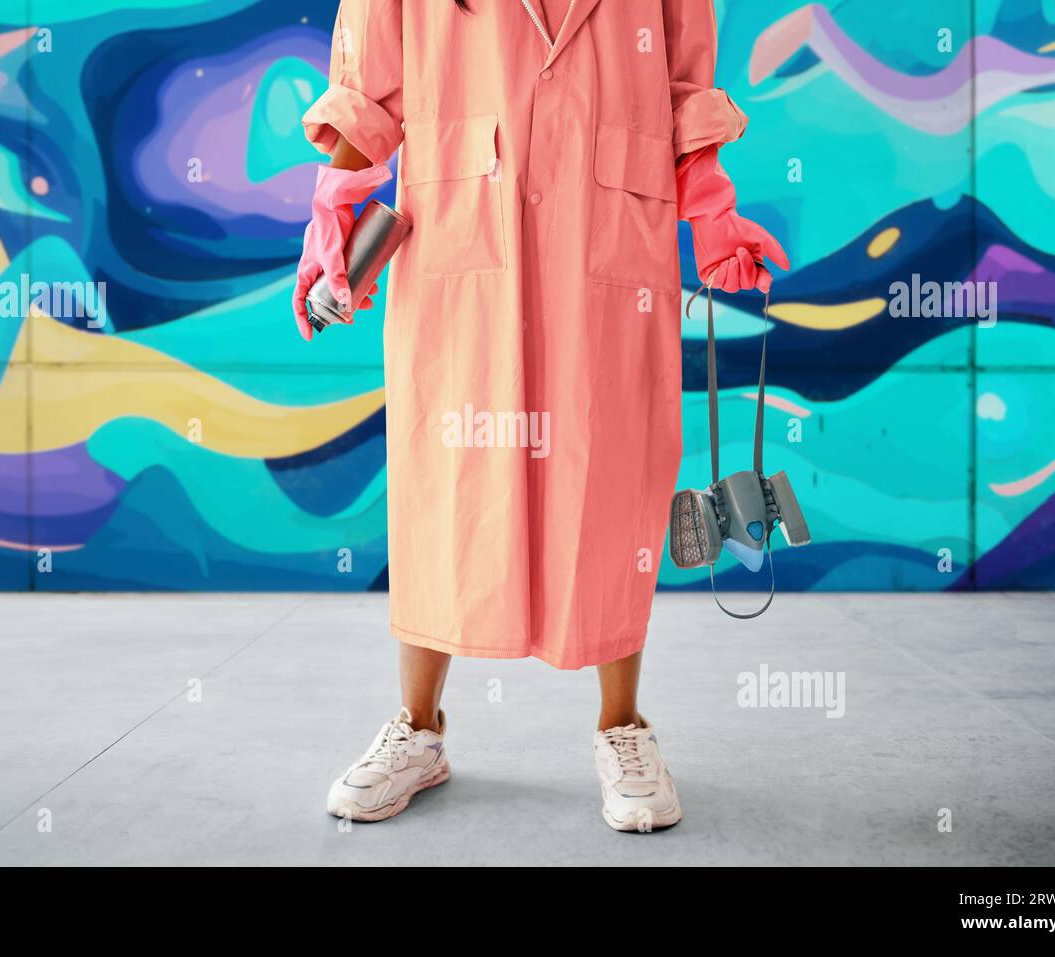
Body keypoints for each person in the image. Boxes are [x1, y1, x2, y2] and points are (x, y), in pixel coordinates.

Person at [293, 0, 787, 830]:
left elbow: (682, 87)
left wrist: (710, 210)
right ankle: (418, 728)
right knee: (447, 479)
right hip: (461, 237)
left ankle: (622, 726)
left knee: (613, 470)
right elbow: (369, 92)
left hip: (608, 242)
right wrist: (334, 217)